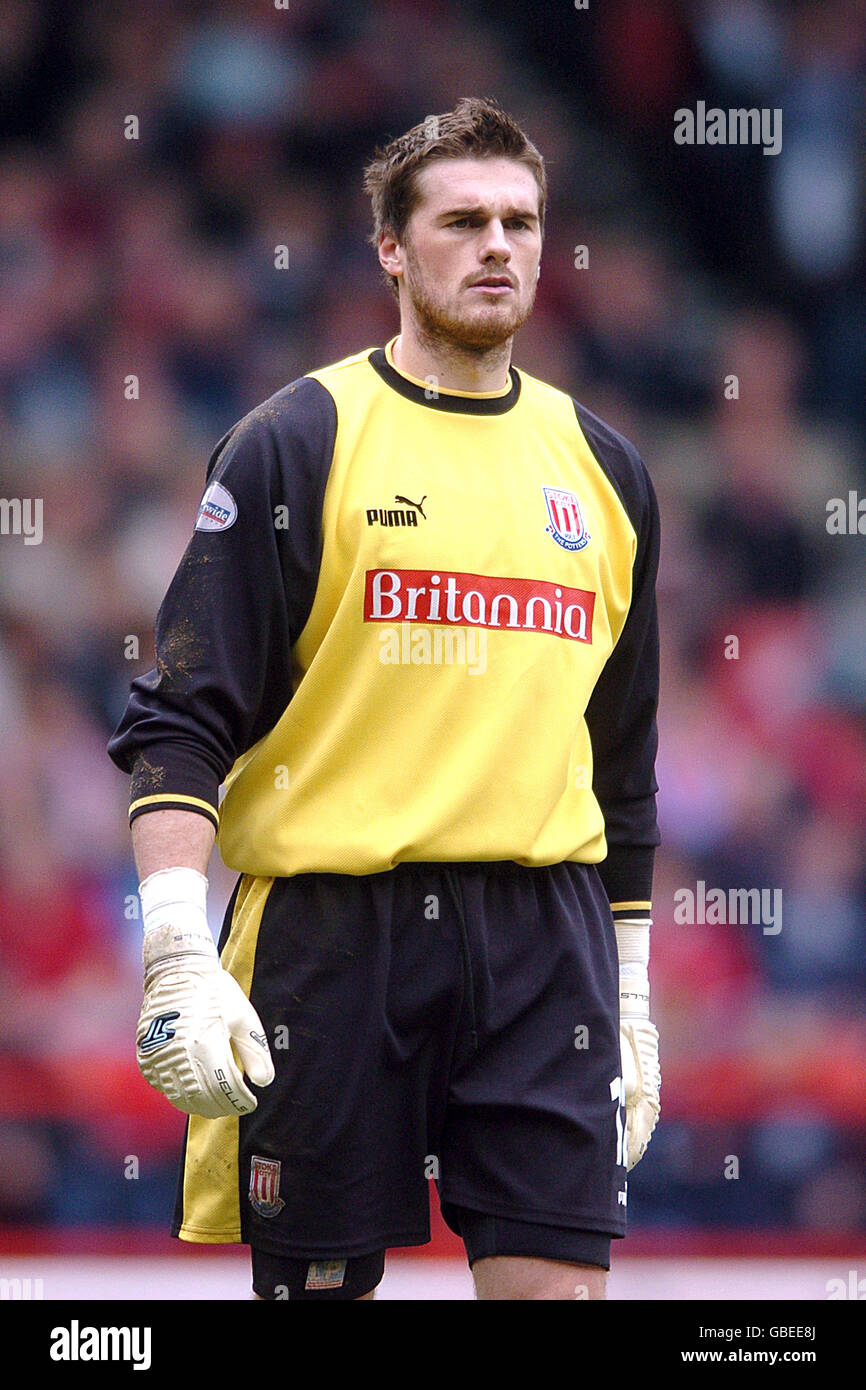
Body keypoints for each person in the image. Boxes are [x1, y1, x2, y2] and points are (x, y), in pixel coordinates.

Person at [108, 96, 661, 1302]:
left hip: (543, 936)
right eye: (462, 222)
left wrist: (629, 986)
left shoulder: (606, 471)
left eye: (520, 221)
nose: (499, 247)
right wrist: (172, 953)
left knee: (556, 1292)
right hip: (329, 931)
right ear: (393, 252)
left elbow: (622, 763)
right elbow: (179, 719)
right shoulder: (294, 442)